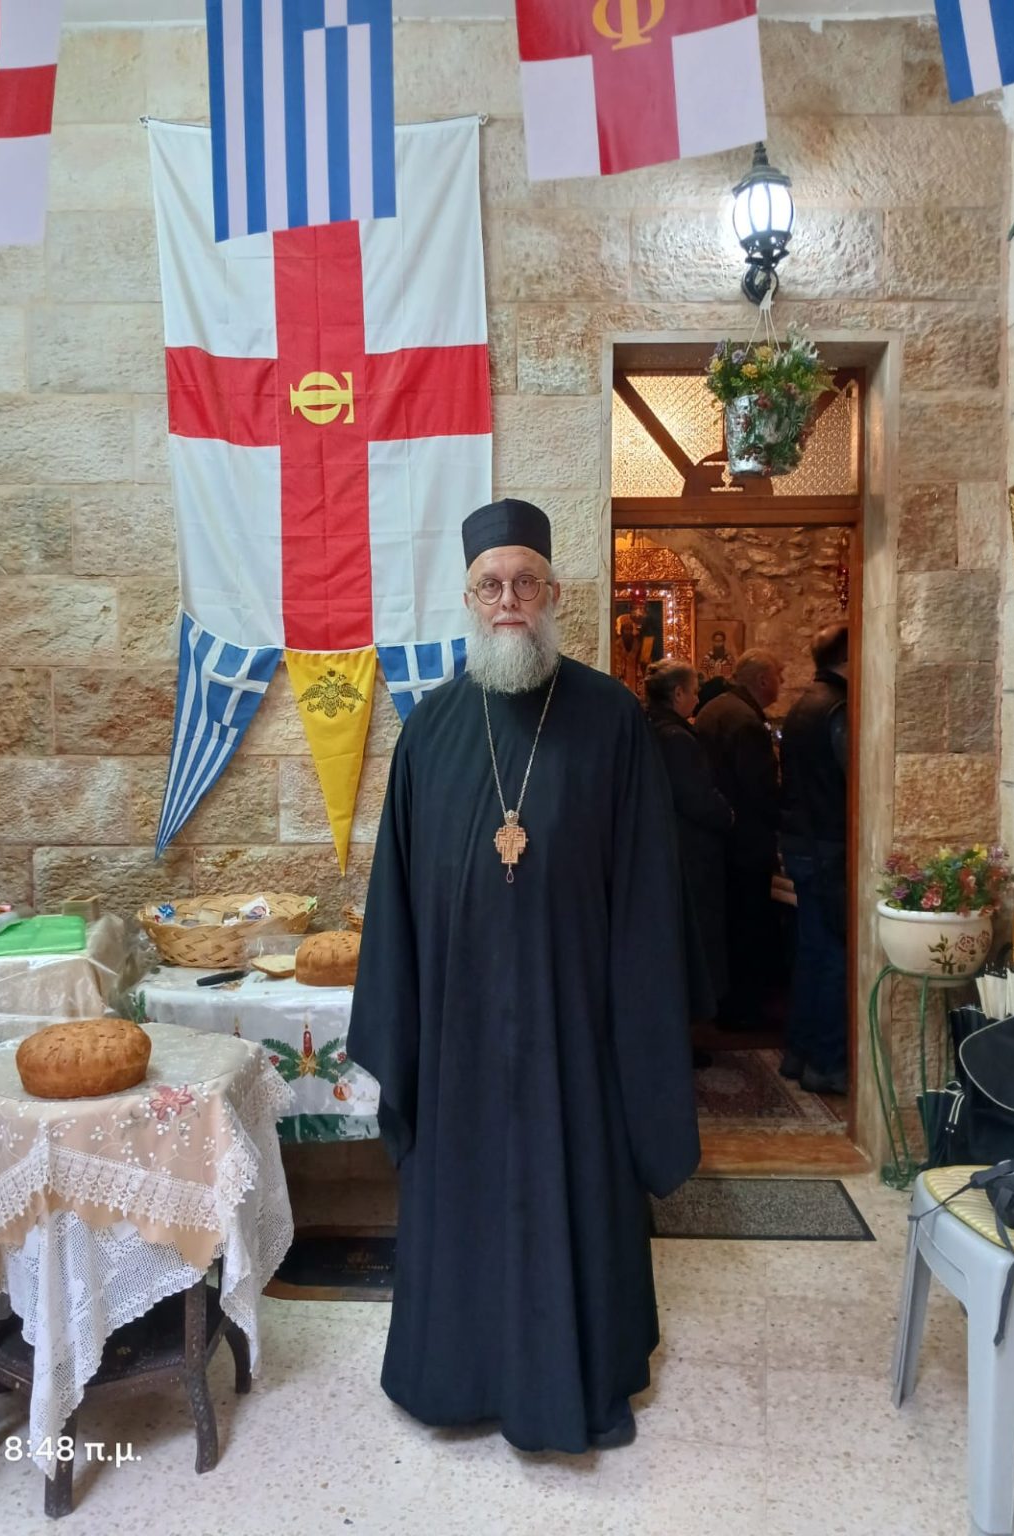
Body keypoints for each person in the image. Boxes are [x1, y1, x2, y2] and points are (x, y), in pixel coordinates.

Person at [347, 498, 700, 1456]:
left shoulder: (611, 719)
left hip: (575, 1030)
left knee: (573, 1191)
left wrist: (638, 1027)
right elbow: (396, 900)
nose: (509, 600)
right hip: (458, 1039)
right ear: (470, 598)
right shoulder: (430, 732)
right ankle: (455, 1375)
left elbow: (647, 893)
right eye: (491, 585)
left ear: (554, 594)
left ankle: (573, 1374)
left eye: (526, 583)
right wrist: (404, 1031)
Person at [692, 648, 784, 1027]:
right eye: (779, 674)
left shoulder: (715, 708)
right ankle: (744, 1010)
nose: (783, 681)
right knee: (749, 925)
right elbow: (759, 789)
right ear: (763, 680)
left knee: (730, 925)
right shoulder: (746, 721)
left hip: (720, 838)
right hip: (746, 841)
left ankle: (726, 1002)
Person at [779, 623, 849, 1096]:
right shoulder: (837, 707)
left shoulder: (804, 703)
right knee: (835, 956)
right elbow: (852, 777)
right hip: (829, 844)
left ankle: (799, 1052)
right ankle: (826, 1061)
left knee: (812, 950)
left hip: (804, 842)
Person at [643, 659, 733, 1015]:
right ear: (678, 693)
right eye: (694, 692)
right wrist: (727, 814)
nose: (697, 700)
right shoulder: (677, 738)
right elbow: (696, 797)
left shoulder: (647, 727)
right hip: (690, 849)